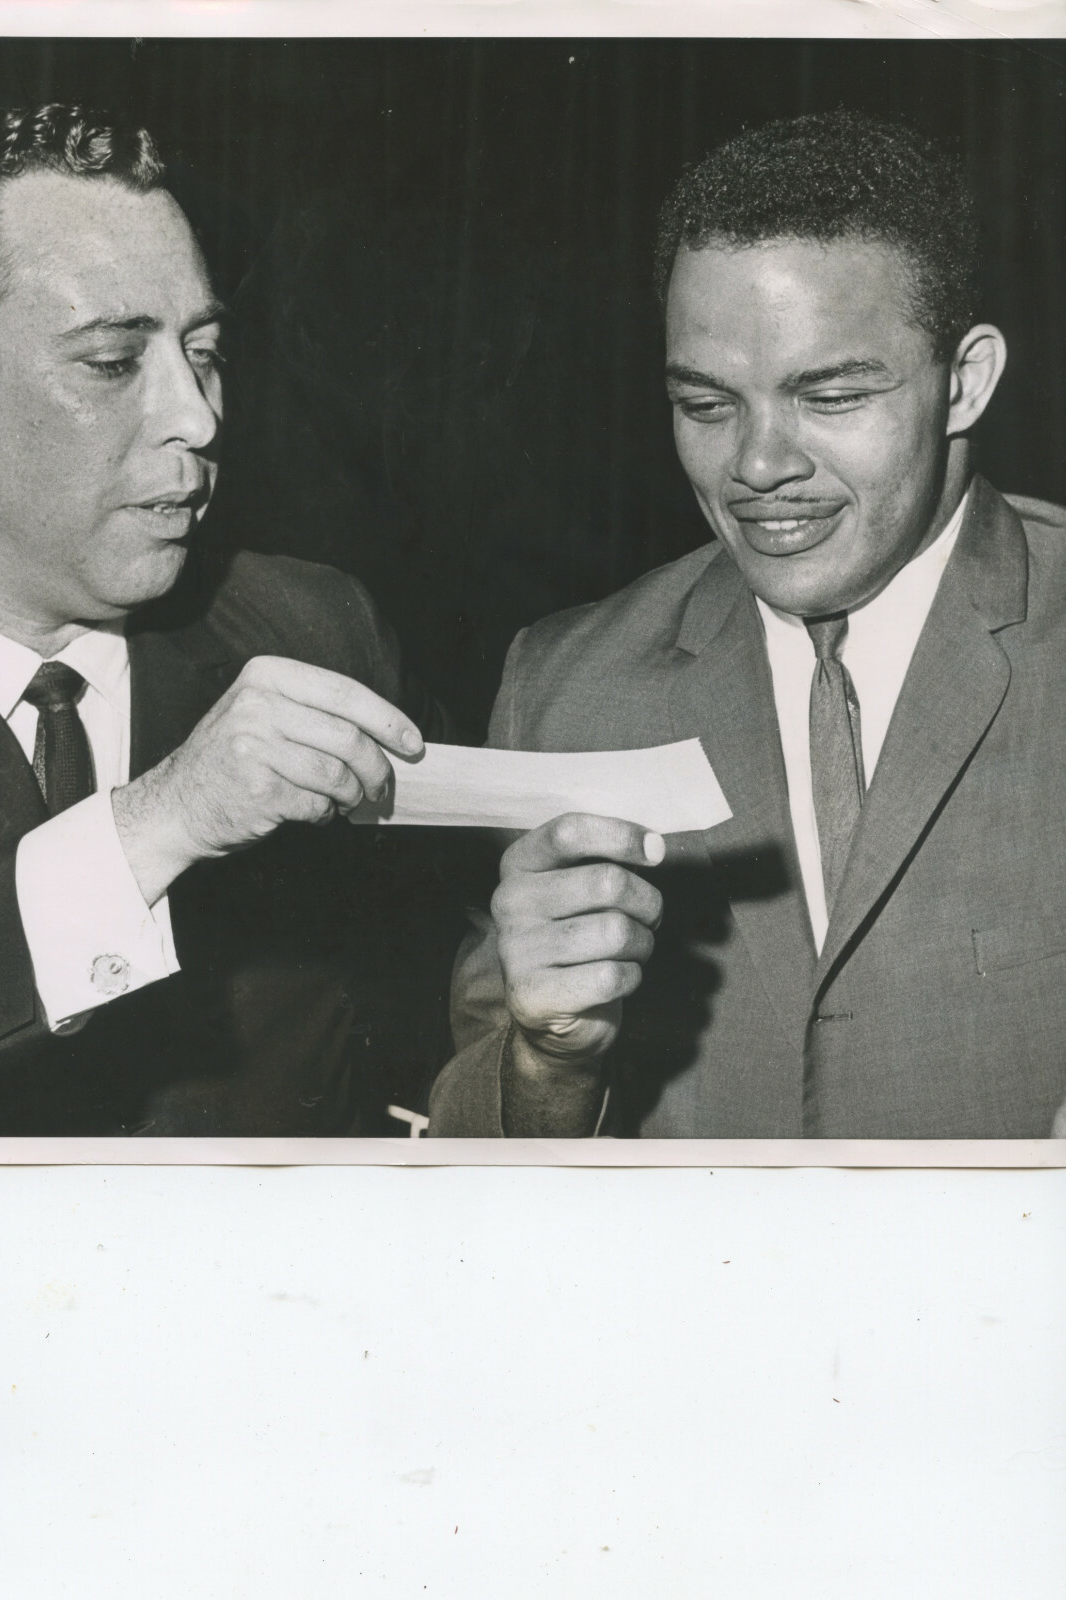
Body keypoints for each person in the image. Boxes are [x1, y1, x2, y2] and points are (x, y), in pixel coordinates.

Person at [429, 110, 1066, 1140]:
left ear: (967, 380)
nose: (759, 465)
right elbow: (469, 1138)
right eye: (708, 405)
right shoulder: (562, 686)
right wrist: (548, 1063)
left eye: (831, 394)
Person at [0, 103, 455, 1137]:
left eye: (203, 352)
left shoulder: (313, 627)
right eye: (114, 362)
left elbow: (416, 1021)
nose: (199, 419)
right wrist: (153, 826)